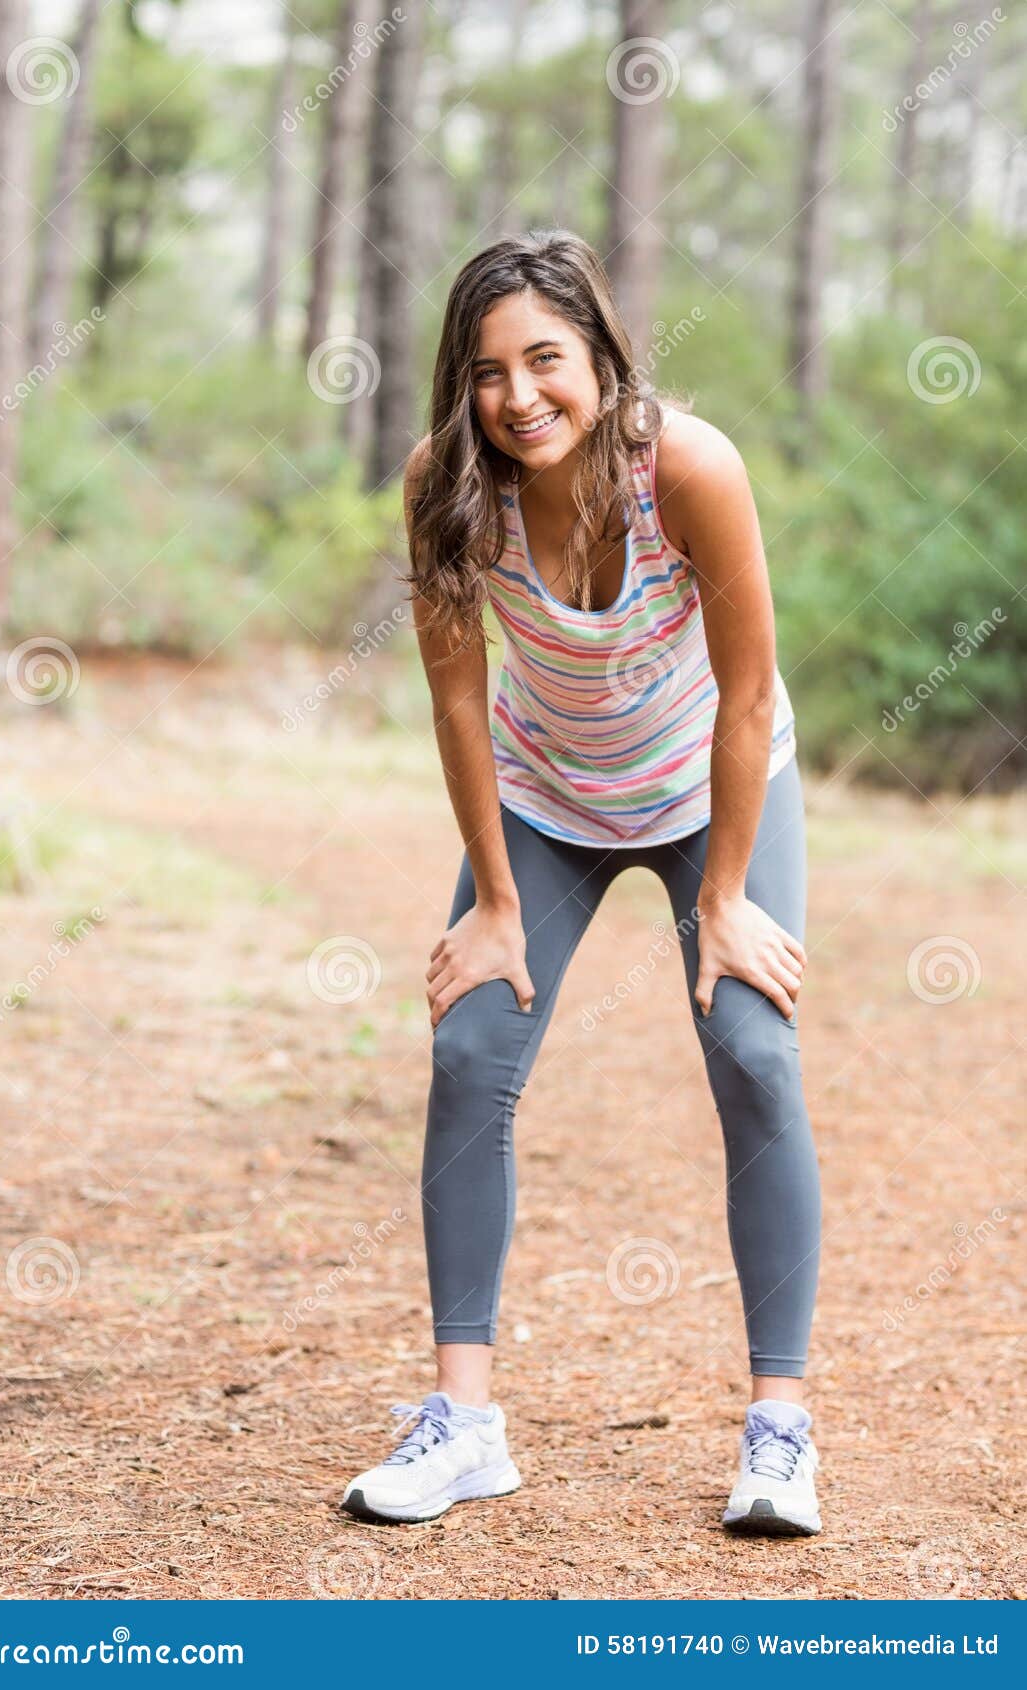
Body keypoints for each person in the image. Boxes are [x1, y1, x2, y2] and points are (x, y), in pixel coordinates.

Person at [341, 231, 823, 1537]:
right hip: (548, 792)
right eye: (488, 371)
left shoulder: (691, 470)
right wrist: (497, 907)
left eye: (546, 358)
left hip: (709, 783)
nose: (520, 396)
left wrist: (725, 898)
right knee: (469, 1048)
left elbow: (748, 696)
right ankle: (465, 1423)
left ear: (604, 358)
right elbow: (458, 698)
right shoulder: (447, 481)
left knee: (754, 1047)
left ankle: (779, 1428)